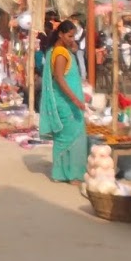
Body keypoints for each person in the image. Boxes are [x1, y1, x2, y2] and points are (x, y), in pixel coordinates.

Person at [39, 20, 88, 183]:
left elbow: (74, 49)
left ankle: (66, 172)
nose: (72, 39)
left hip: (69, 100)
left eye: (74, 36)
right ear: (60, 34)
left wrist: (72, 45)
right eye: (69, 36)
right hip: (65, 102)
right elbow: (60, 78)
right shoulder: (59, 53)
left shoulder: (62, 50)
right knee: (68, 137)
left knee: (70, 135)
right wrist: (75, 100)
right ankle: (69, 174)